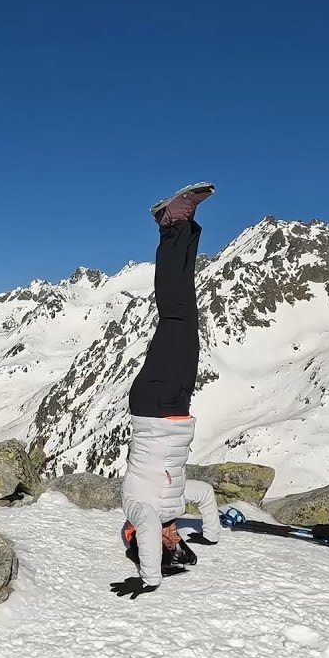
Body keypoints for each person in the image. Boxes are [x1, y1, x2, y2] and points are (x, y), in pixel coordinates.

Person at [110, 182, 222, 600]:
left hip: (152, 405)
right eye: (178, 543)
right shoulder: (174, 506)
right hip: (175, 412)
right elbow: (205, 495)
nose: (175, 538)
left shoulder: (140, 511)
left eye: (171, 543)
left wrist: (150, 577)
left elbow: (148, 533)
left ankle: (170, 223)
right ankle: (185, 227)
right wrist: (210, 533)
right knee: (186, 313)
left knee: (175, 316)